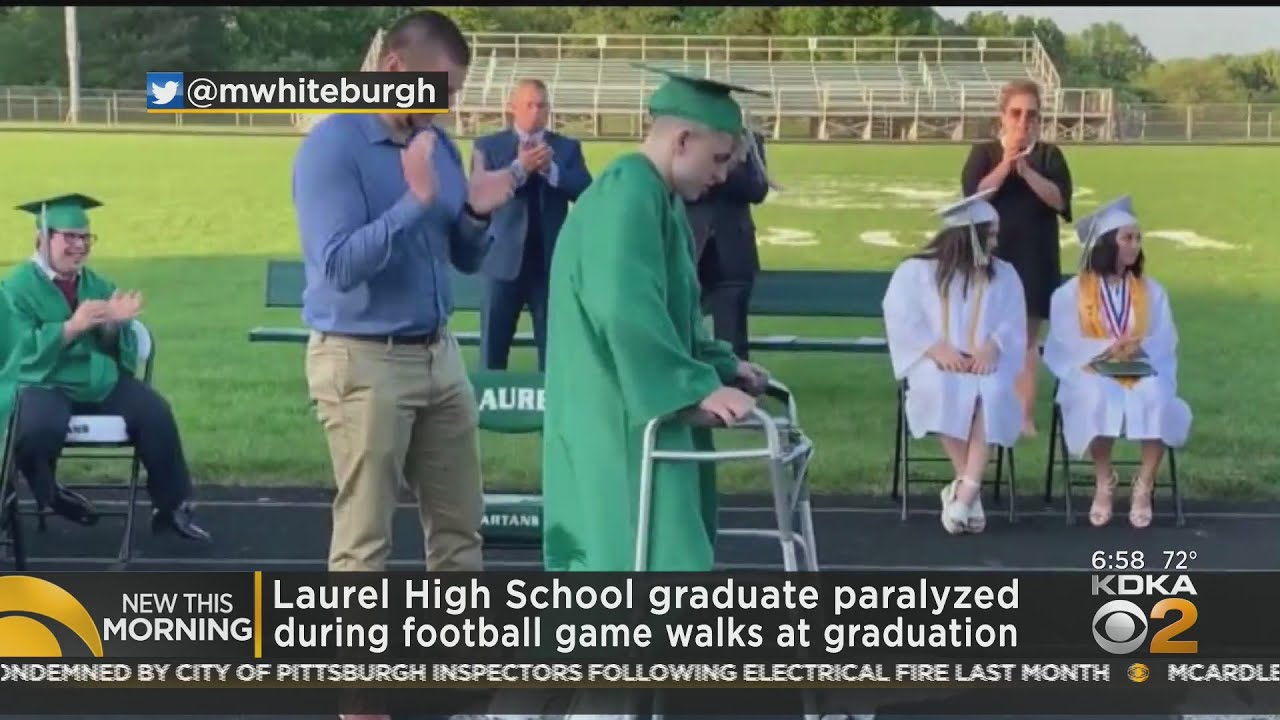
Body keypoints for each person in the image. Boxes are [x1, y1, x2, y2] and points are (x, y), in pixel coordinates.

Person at [290, 9, 516, 576]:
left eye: (453, 93)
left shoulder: (437, 144)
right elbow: (339, 266)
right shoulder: (332, 147)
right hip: (364, 360)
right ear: (394, 68)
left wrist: (475, 214)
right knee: (364, 542)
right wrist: (414, 202)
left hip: (439, 355)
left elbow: (463, 258)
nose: (447, 106)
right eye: (441, 90)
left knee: (461, 530)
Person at [540, 65, 771, 574]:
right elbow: (623, 308)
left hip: (638, 403)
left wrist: (722, 364)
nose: (723, 176)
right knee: (634, 556)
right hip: (616, 413)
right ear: (682, 140)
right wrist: (693, 387)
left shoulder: (660, 199)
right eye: (718, 159)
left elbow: (674, 312)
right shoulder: (627, 193)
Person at [2, 194, 209, 541]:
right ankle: (50, 494)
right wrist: (71, 327)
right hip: (43, 382)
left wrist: (113, 326)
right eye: (70, 237)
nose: (80, 246)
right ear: (42, 238)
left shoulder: (97, 285)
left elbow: (119, 352)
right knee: (36, 429)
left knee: (155, 412)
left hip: (96, 379)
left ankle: (171, 508)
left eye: (85, 238)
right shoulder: (14, 288)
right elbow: (16, 351)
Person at [882, 189, 1027, 535]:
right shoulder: (916, 271)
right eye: (989, 235)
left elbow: (1013, 320)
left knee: (992, 392)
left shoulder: (1004, 274)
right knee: (942, 387)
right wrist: (934, 348)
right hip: (935, 361)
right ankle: (969, 491)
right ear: (968, 237)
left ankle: (963, 492)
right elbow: (901, 317)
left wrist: (993, 347)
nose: (996, 243)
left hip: (985, 361)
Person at [1042, 197, 1191, 529]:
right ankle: (1104, 480)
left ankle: (1145, 484)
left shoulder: (1151, 291)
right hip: (1092, 367)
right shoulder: (1071, 293)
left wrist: (1138, 347)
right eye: (1127, 238)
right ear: (1108, 243)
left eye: (1138, 238)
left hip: (1140, 365)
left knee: (1157, 395)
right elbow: (1064, 340)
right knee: (1095, 395)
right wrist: (1106, 348)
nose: (1135, 245)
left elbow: (1165, 338)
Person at [961, 79, 1073, 437]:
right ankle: (980, 412)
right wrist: (1006, 164)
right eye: (1016, 113)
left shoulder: (1049, 156)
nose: (1024, 121)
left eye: (1031, 115)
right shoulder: (984, 153)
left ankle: (1024, 418)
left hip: (1035, 256)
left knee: (1026, 340)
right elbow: (973, 197)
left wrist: (1026, 171)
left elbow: (1060, 201)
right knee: (984, 334)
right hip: (990, 256)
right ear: (1003, 116)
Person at [474, 78, 592, 370]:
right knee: (492, 352)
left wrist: (552, 171)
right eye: (529, 105)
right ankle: (487, 399)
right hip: (501, 263)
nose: (536, 112)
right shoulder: (488, 147)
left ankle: (550, 400)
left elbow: (586, 192)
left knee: (553, 353)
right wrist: (519, 169)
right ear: (512, 107)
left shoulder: (566, 148)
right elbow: (478, 196)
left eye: (542, 106)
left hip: (549, 264)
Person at [685, 124, 770, 359]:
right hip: (690, 247)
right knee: (682, 330)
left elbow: (758, 189)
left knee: (733, 338)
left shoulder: (749, 140)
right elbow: (678, 183)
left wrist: (726, 167)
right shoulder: (687, 136)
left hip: (732, 252)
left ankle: (736, 379)